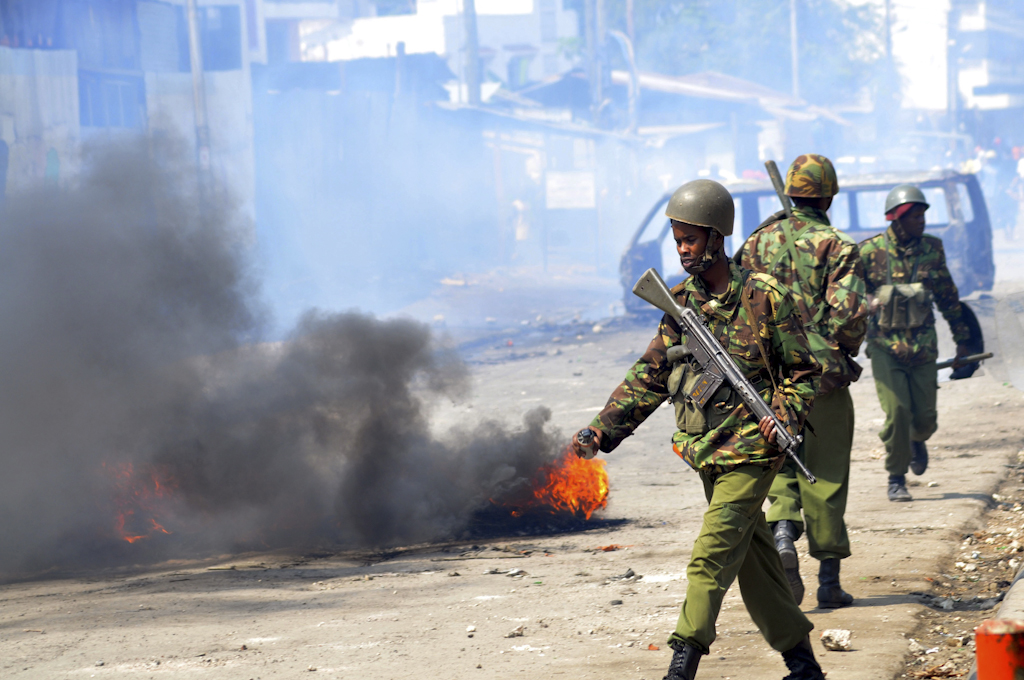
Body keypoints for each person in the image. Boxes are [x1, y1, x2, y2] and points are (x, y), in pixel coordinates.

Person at [572, 179, 826, 680]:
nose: (682, 249)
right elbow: (651, 375)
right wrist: (602, 430)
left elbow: (804, 372)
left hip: (754, 453)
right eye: (677, 239)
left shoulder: (762, 296)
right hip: (708, 454)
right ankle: (803, 665)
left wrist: (786, 416)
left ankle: (682, 663)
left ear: (715, 237)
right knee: (755, 566)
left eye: (689, 239)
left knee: (710, 558)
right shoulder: (680, 305)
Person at [736, 154, 868, 609]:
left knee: (782, 467)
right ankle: (829, 582)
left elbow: (738, 302)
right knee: (826, 476)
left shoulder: (757, 243)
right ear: (829, 195)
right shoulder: (838, 246)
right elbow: (849, 317)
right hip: (824, 380)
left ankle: (785, 538)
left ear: (791, 192)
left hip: (770, 381)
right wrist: (835, 351)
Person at [859, 185, 971, 502]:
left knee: (924, 420)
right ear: (896, 219)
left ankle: (916, 439)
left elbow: (949, 297)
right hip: (885, 348)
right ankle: (896, 478)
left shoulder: (933, 250)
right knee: (897, 413)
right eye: (914, 216)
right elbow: (849, 295)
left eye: (923, 214)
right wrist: (867, 303)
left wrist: (963, 341)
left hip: (923, 347)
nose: (921, 221)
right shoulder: (869, 252)